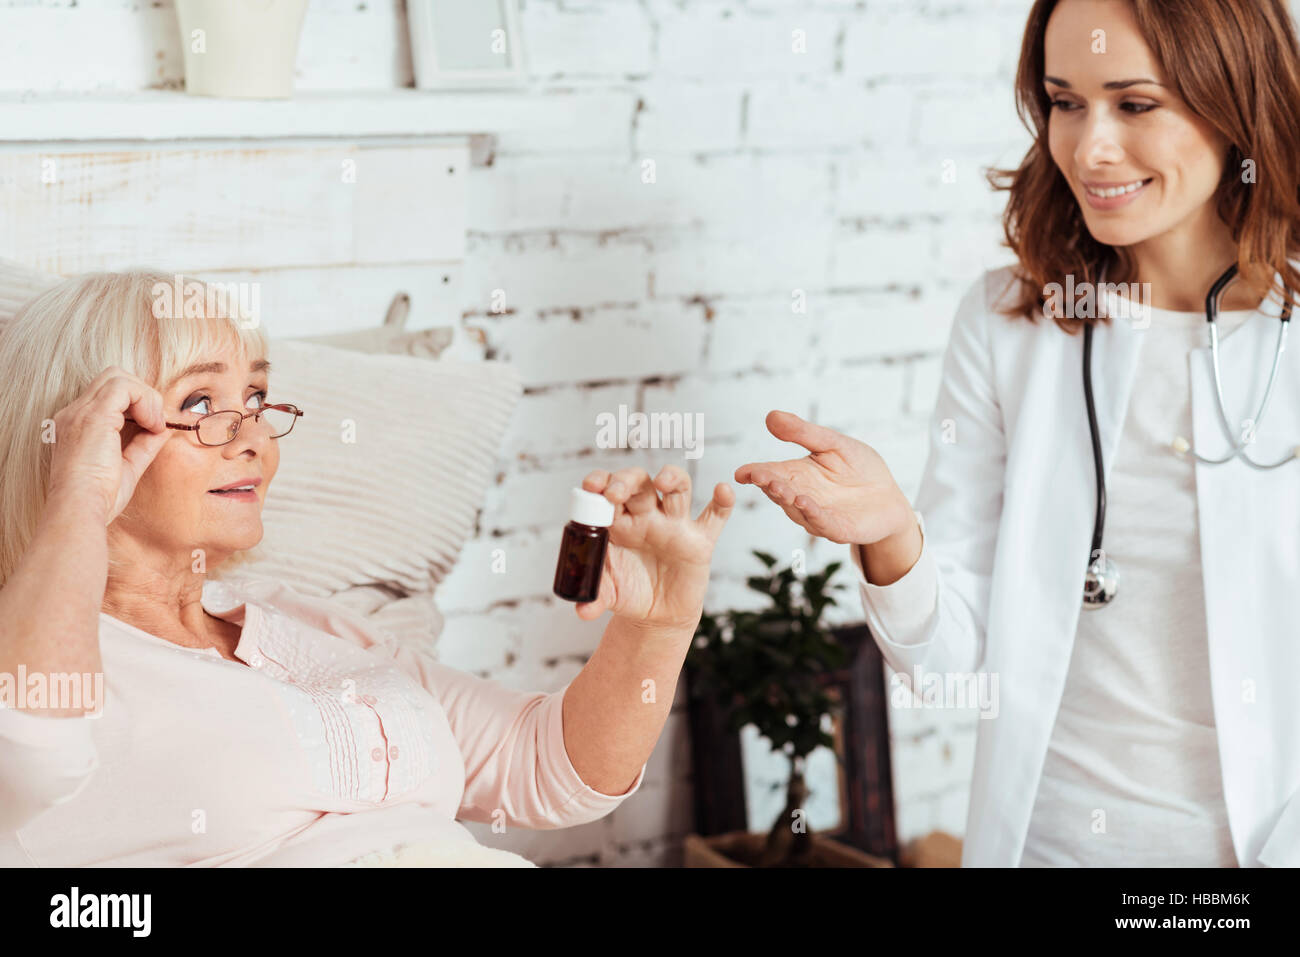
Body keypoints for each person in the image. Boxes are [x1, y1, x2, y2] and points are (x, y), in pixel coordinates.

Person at [736, 0, 1300, 867]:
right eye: (1064, 102)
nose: (1089, 147)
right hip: (1048, 847)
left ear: (1236, 101)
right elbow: (949, 661)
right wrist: (893, 534)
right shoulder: (1012, 322)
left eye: (1134, 103)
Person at [0, 270, 735, 867]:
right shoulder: (41, 661)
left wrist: (657, 622)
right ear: (81, 437)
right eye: (201, 401)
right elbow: (25, 745)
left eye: (255, 396)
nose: (253, 435)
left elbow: (545, 768)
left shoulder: (304, 623)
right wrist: (78, 498)